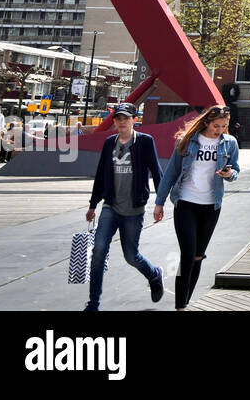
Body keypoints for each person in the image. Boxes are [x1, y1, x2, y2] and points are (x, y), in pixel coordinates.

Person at [154, 105, 241, 311]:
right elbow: (171, 173)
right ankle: (180, 307)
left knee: (198, 256)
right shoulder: (187, 141)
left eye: (224, 126)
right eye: (216, 125)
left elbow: (236, 170)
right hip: (186, 203)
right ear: (206, 122)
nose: (219, 130)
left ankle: (185, 301)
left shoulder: (230, 143)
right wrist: (159, 202)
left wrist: (229, 174)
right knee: (187, 254)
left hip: (211, 206)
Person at [83, 103, 164, 311]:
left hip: (134, 209)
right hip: (110, 207)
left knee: (131, 256)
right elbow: (101, 174)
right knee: (99, 251)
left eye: (126, 118)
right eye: (118, 118)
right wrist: (93, 205)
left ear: (134, 120)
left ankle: (154, 274)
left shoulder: (145, 142)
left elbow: (156, 171)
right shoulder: (110, 142)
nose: (121, 121)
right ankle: (93, 303)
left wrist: (160, 202)